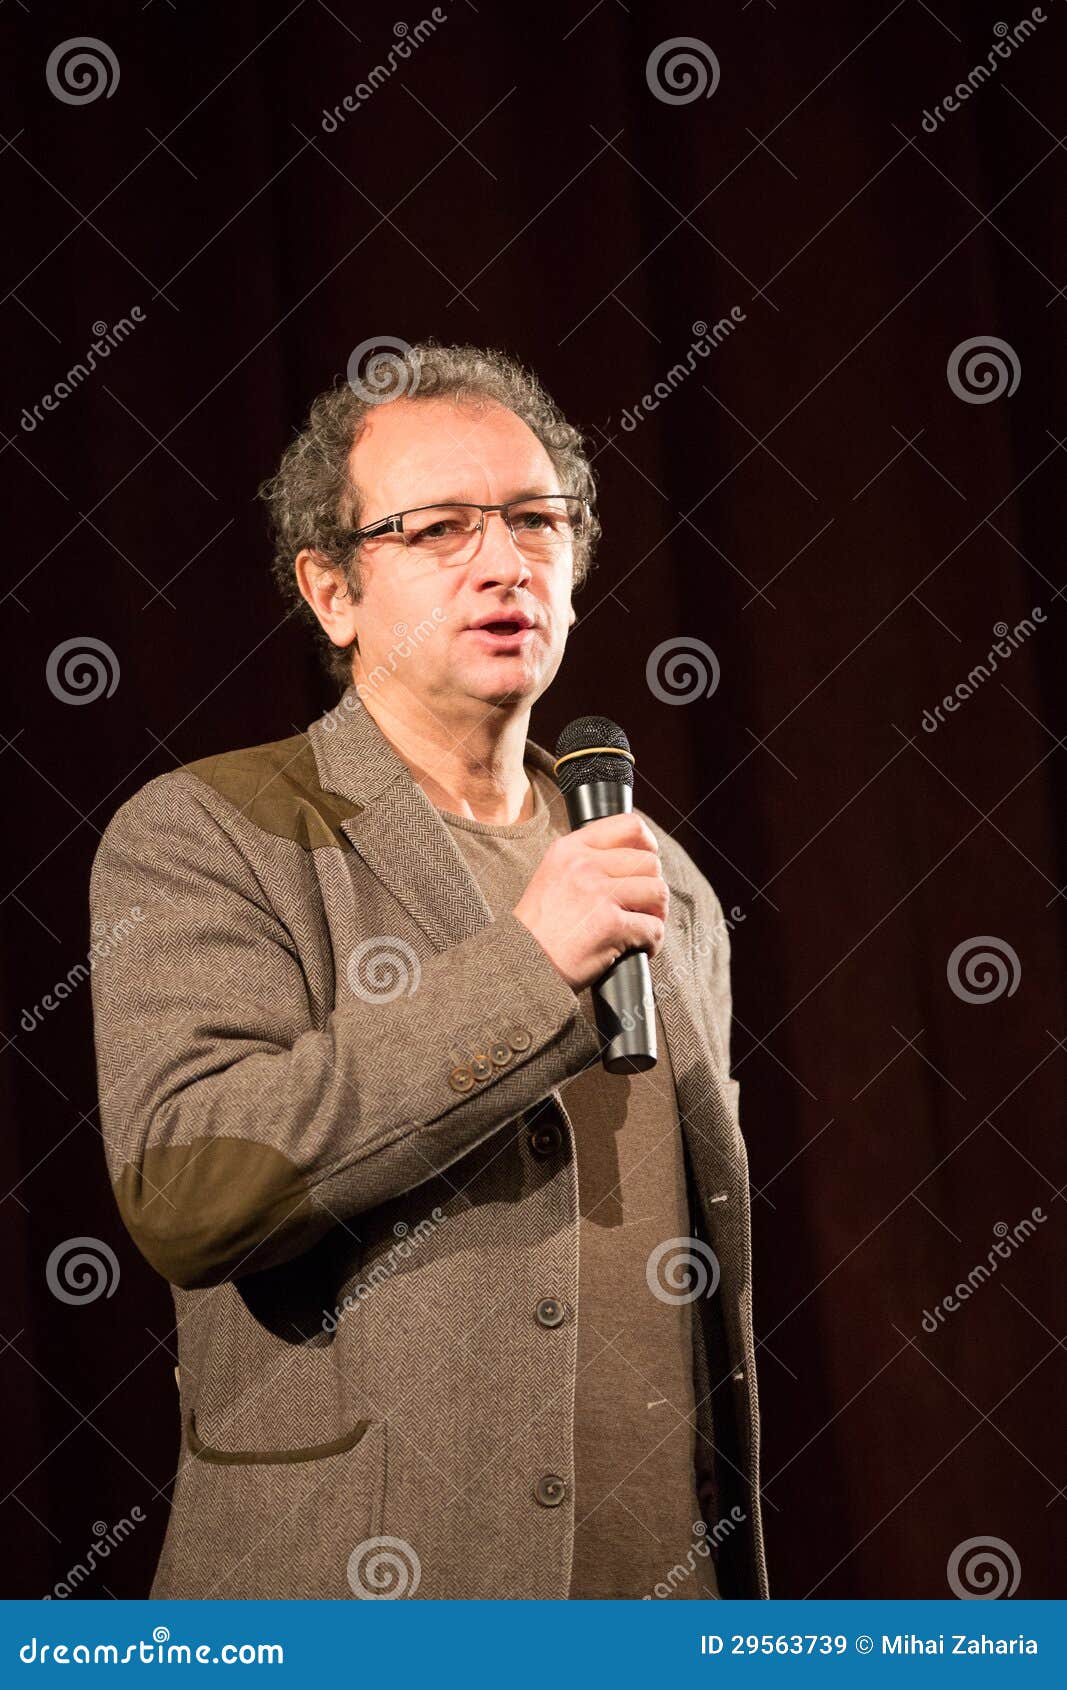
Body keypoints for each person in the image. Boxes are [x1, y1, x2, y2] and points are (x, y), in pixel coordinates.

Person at [88, 341, 767, 1601]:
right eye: (439, 528)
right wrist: (523, 969)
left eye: (534, 521)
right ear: (331, 593)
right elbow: (189, 1186)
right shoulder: (212, 831)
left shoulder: (653, 870)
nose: (504, 562)